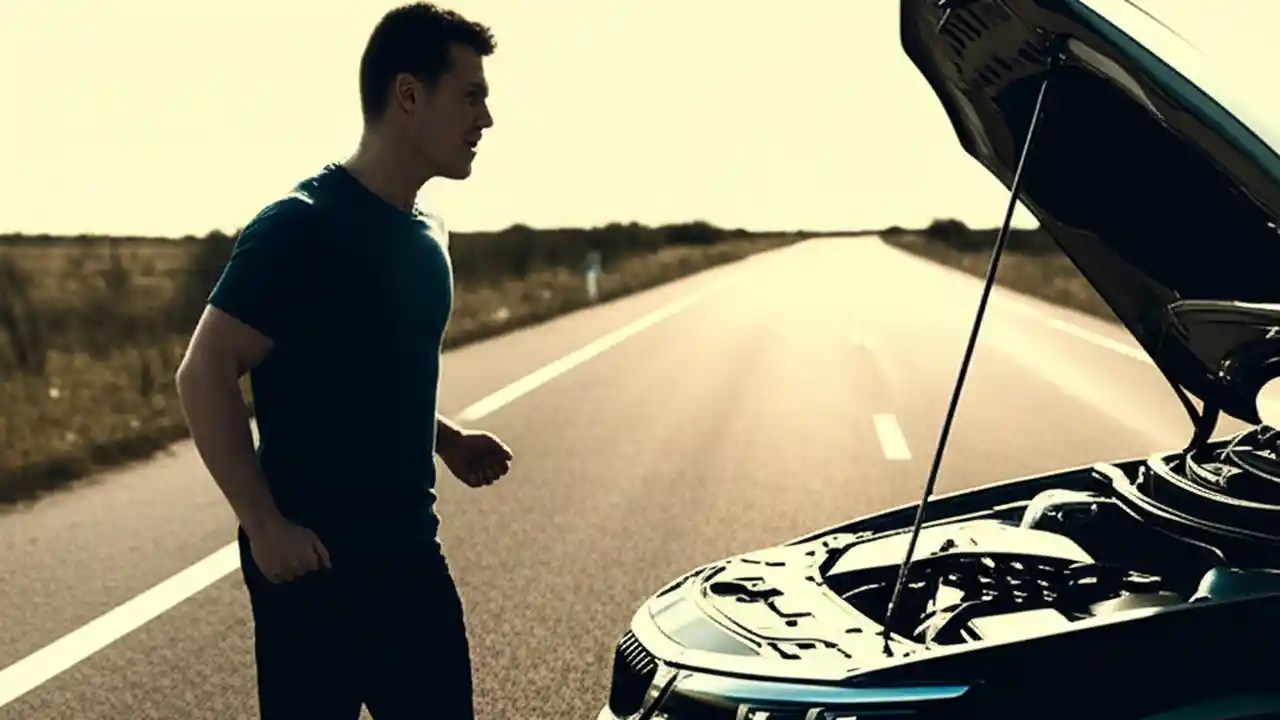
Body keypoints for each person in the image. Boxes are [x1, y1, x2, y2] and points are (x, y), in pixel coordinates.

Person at [174, 4, 509, 717]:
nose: (487, 119)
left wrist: (445, 438)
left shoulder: (428, 234)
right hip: (311, 571)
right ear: (409, 94)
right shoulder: (301, 227)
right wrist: (265, 527)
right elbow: (203, 372)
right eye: (471, 96)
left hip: (411, 560)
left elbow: (367, 375)